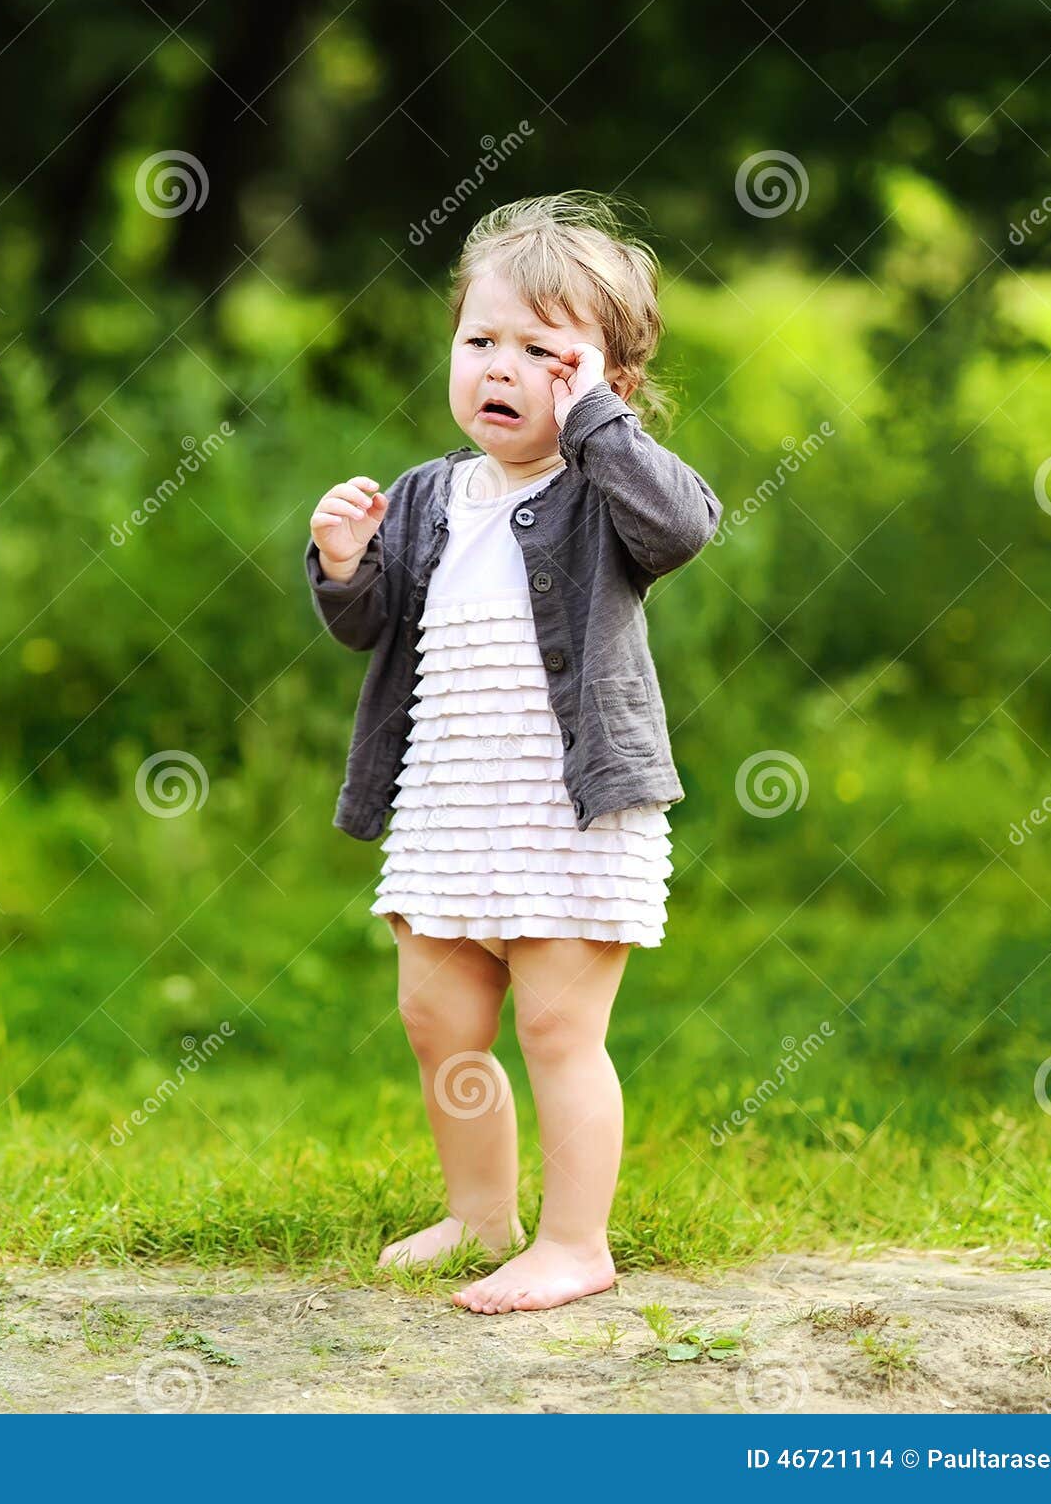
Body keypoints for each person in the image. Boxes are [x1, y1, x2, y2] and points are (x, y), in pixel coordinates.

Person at [304, 191, 723, 1313]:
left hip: (573, 812)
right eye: (480, 340)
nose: (500, 366)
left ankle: (576, 1242)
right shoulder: (434, 493)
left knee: (554, 1024)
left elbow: (684, 525)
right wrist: (346, 563)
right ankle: (478, 1212)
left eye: (541, 351)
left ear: (605, 385)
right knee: (438, 1017)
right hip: (453, 805)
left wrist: (595, 426)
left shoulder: (605, 486)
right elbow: (372, 624)